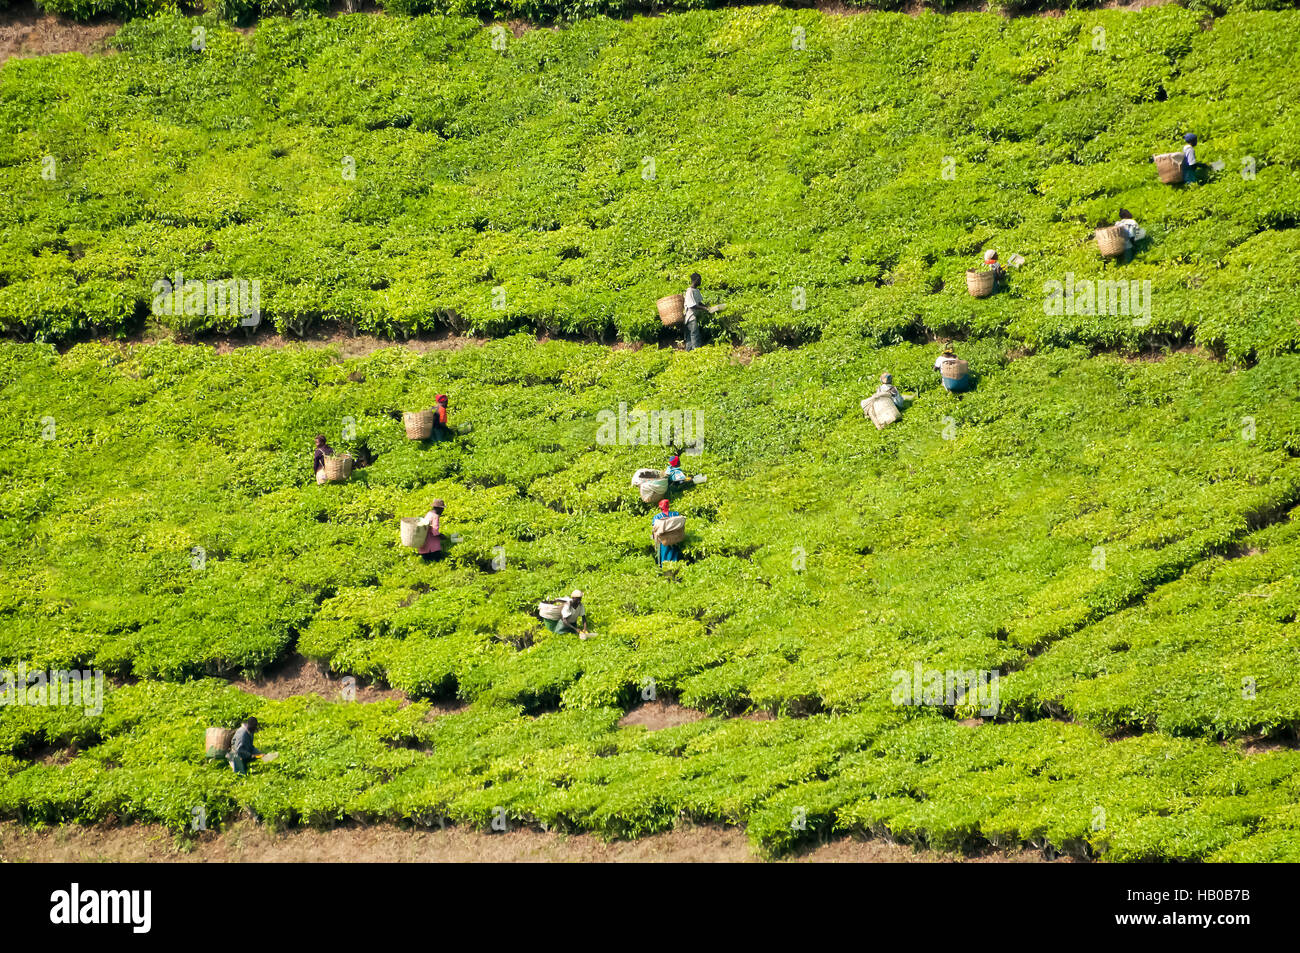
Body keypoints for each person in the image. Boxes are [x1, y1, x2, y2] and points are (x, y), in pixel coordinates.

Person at [653, 499, 683, 567]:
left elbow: (654, 527)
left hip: (663, 540)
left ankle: (666, 572)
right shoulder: (675, 514)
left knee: (664, 556)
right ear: (668, 506)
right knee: (673, 555)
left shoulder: (657, 517)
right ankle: (674, 570)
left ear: (660, 507)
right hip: (674, 539)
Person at [682, 273, 707, 351]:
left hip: (694, 316)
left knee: (690, 336)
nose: (700, 282)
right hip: (690, 317)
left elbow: (699, 303)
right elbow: (692, 305)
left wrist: (707, 307)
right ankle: (696, 351)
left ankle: (688, 352)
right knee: (694, 334)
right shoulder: (689, 291)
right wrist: (704, 308)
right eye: (699, 280)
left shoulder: (696, 290)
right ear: (696, 280)